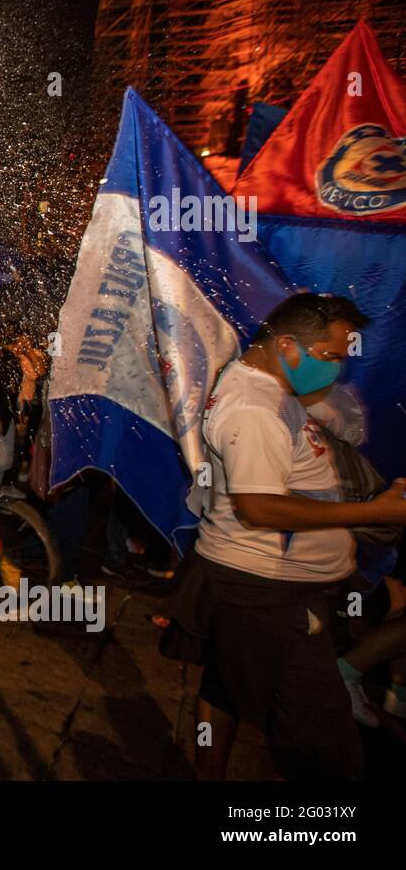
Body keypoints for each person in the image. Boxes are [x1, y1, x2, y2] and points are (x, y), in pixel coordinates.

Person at [166, 293, 406, 780]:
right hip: (268, 597)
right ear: (289, 345)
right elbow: (259, 507)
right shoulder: (253, 407)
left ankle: (206, 772)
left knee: (224, 687)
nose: (338, 368)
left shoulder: (272, 391)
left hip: (267, 589)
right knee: (324, 748)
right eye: (331, 357)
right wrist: (370, 510)